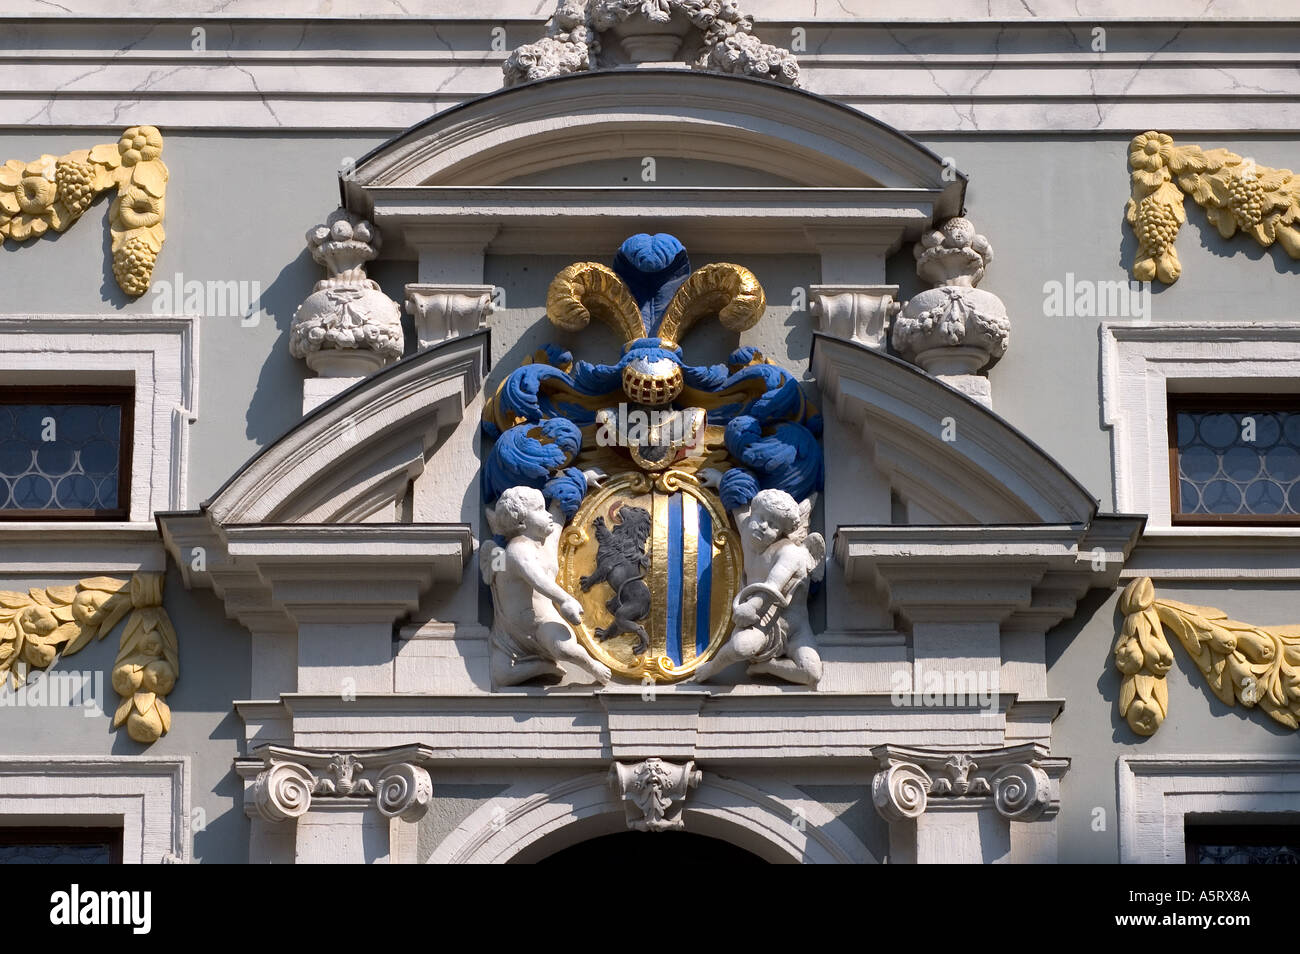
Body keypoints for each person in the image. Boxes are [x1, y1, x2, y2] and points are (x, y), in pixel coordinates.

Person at [481, 486, 612, 686]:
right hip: (510, 634)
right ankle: (544, 666)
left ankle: (590, 665)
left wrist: (582, 480)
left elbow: (558, 513)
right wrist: (565, 599)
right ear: (522, 522)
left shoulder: (544, 542)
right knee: (501, 675)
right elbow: (536, 578)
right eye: (540, 510)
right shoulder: (518, 550)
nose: (548, 515)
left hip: (542, 621)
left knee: (564, 648)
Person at [693, 488, 824, 686]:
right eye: (761, 518)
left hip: (794, 629)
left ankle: (767, 666)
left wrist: (750, 607)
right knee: (739, 648)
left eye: (773, 525)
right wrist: (721, 481)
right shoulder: (748, 531)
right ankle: (712, 667)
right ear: (753, 513)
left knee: (811, 672)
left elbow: (771, 588)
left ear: (782, 532)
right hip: (763, 624)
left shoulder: (789, 554)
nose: (763, 526)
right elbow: (738, 501)